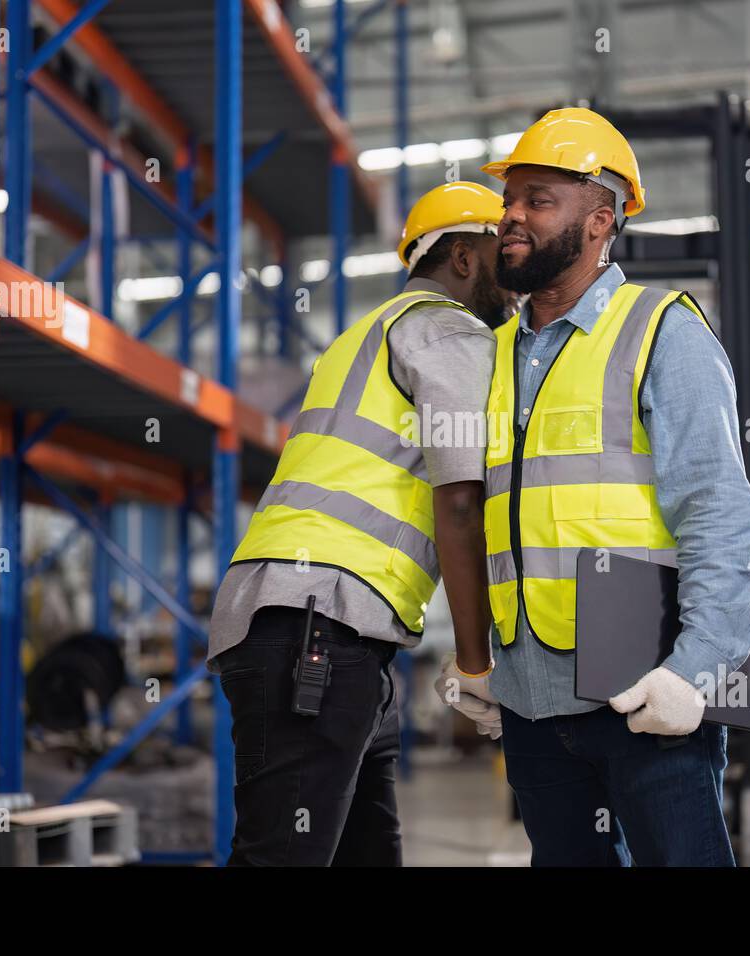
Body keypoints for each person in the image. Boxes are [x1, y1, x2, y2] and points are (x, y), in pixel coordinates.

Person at [442, 108, 750, 866]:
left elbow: (719, 514)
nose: (512, 218)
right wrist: (479, 664)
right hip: (528, 705)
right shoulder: (488, 357)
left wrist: (698, 673)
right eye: (508, 200)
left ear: (600, 220)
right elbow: (476, 518)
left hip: (646, 699)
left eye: (538, 199)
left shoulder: (663, 332)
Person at [207, 182, 511, 866]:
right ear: (464, 257)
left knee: (365, 853)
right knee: (283, 857)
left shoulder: (362, 336)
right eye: (501, 253)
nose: (514, 284)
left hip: (323, 625)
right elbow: (459, 500)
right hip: (320, 624)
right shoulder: (447, 328)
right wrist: (475, 662)